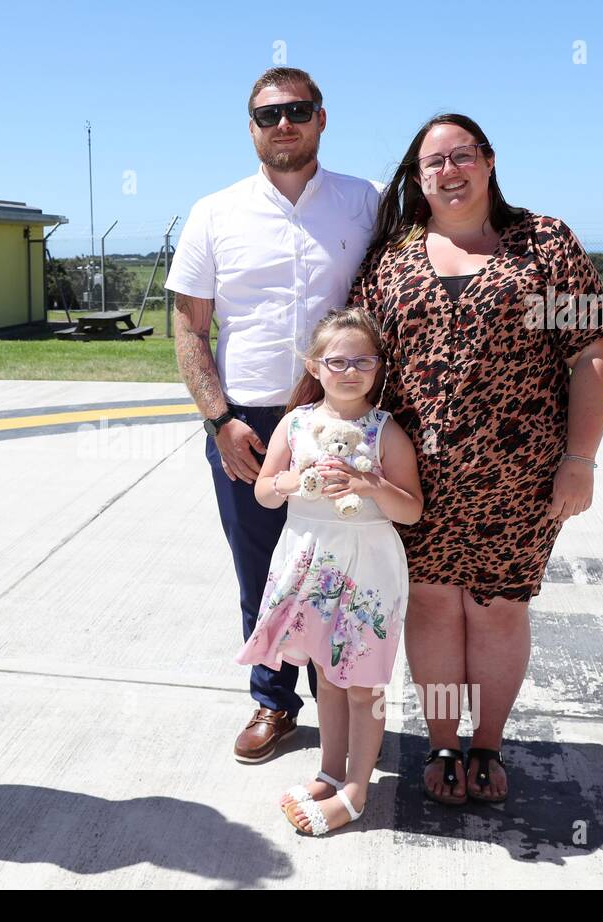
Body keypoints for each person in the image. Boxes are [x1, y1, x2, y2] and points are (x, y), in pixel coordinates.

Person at [348, 112, 603, 805]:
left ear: (489, 161)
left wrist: (581, 458)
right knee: (433, 607)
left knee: (498, 609)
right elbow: (354, 357)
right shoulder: (392, 258)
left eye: (460, 156)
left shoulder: (546, 242)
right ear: (417, 178)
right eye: (432, 163)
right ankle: (442, 744)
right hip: (418, 482)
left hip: (521, 480)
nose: (448, 171)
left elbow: (591, 349)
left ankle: (489, 745)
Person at [167, 67, 381, 763]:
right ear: (251, 129)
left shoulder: (365, 202)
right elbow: (190, 328)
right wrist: (218, 419)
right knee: (261, 571)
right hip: (247, 422)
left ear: (322, 118)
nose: (282, 123)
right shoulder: (214, 212)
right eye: (267, 115)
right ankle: (272, 701)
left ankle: (340, 701)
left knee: (338, 563)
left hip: (340, 413)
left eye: (297, 110)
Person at [236, 308, 422, 835]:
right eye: (337, 360)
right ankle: (328, 770)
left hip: (368, 568)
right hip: (310, 562)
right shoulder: (295, 425)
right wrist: (295, 481)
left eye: (363, 360)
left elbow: (411, 509)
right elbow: (264, 492)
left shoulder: (385, 431)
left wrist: (370, 487)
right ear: (314, 366)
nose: (350, 370)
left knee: (362, 682)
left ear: (379, 367)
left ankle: (357, 790)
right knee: (328, 675)